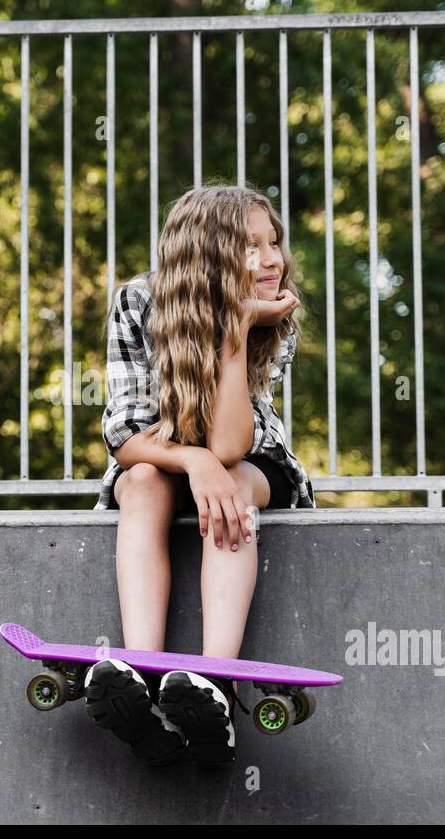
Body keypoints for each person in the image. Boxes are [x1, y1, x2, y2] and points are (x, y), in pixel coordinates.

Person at [88, 183, 314, 767]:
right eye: (251, 247)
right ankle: (141, 672)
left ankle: (217, 680)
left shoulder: (272, 312)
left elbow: (231, 444)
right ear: (208, 252)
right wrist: (192, 461)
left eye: (275, 244)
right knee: (137, 483)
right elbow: (124, 437)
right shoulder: (139, 300)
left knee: (234, 479)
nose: (272, 261)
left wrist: (236, 335)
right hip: (164, 456)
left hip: (250, 464)